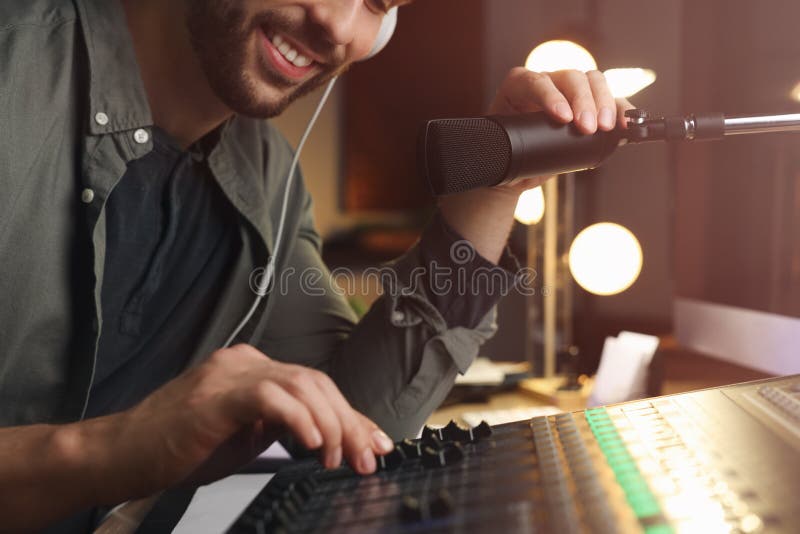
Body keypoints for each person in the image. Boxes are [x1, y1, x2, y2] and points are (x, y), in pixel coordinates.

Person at [0, 0, 629, 531]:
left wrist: (494, 190)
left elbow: (355, 425)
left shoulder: (271, 180)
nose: (336, 23)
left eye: (379, 3)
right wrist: (108, 450)